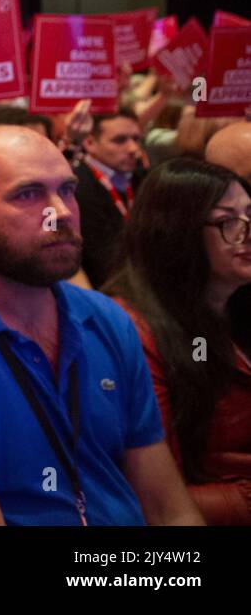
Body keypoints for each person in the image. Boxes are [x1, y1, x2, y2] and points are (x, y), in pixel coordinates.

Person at [0, 125, 203, 525]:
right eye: (28, 194)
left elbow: (169, 510)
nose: (61, 212)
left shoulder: (110, 320)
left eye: (67, 189)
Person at [103, 158, 251, 524]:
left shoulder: (233, 300)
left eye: (250, 215)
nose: (247, 233)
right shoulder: (131, 330)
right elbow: (153, 497)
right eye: (227, 222)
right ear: (178, 231)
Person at [73, 109, 145, 289]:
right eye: (120, 140)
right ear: (89, 143)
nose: (133, 149)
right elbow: (99, 260)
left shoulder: (143, 178)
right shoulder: (75, 186)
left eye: (136, 139)